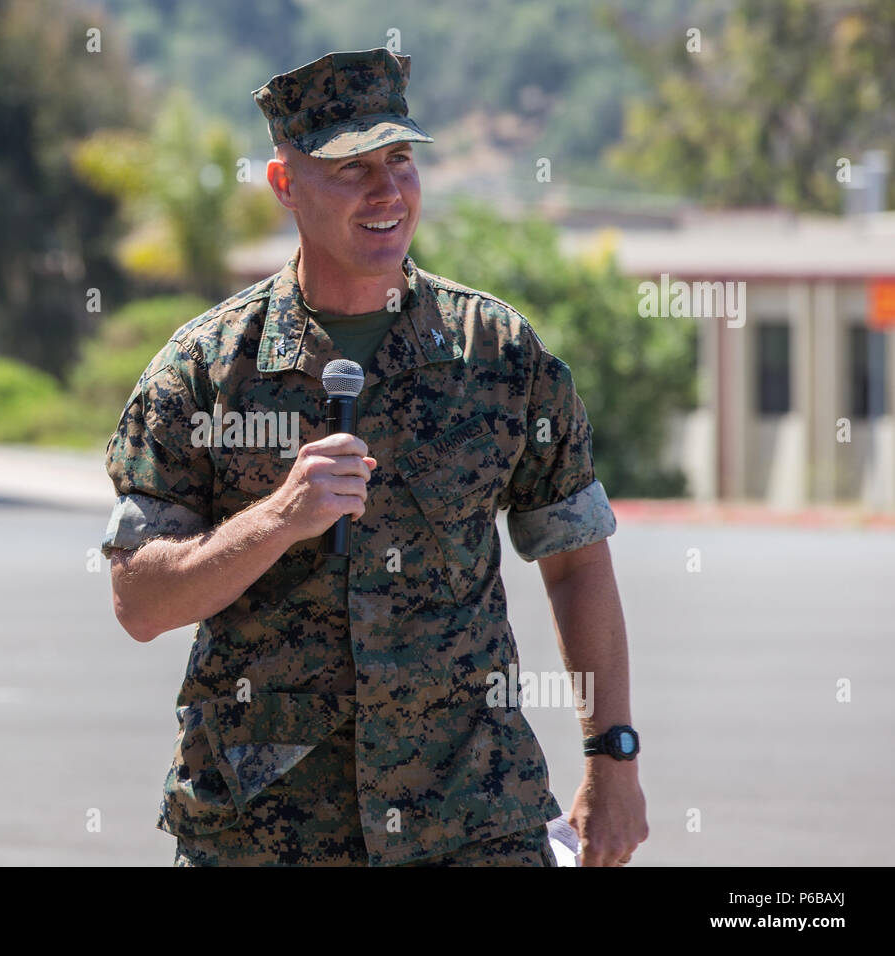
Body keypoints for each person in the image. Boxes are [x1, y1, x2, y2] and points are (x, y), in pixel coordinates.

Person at [102, 47, 648, 867]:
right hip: (266, 828)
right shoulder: (207, 370)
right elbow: (141, 604)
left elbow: (574, 561)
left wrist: (614, 760)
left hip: (471, 818)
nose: (386, 190)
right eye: (351, 167)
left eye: (399, 159)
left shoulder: (497, 355)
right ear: (286, 185)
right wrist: (280, 518)